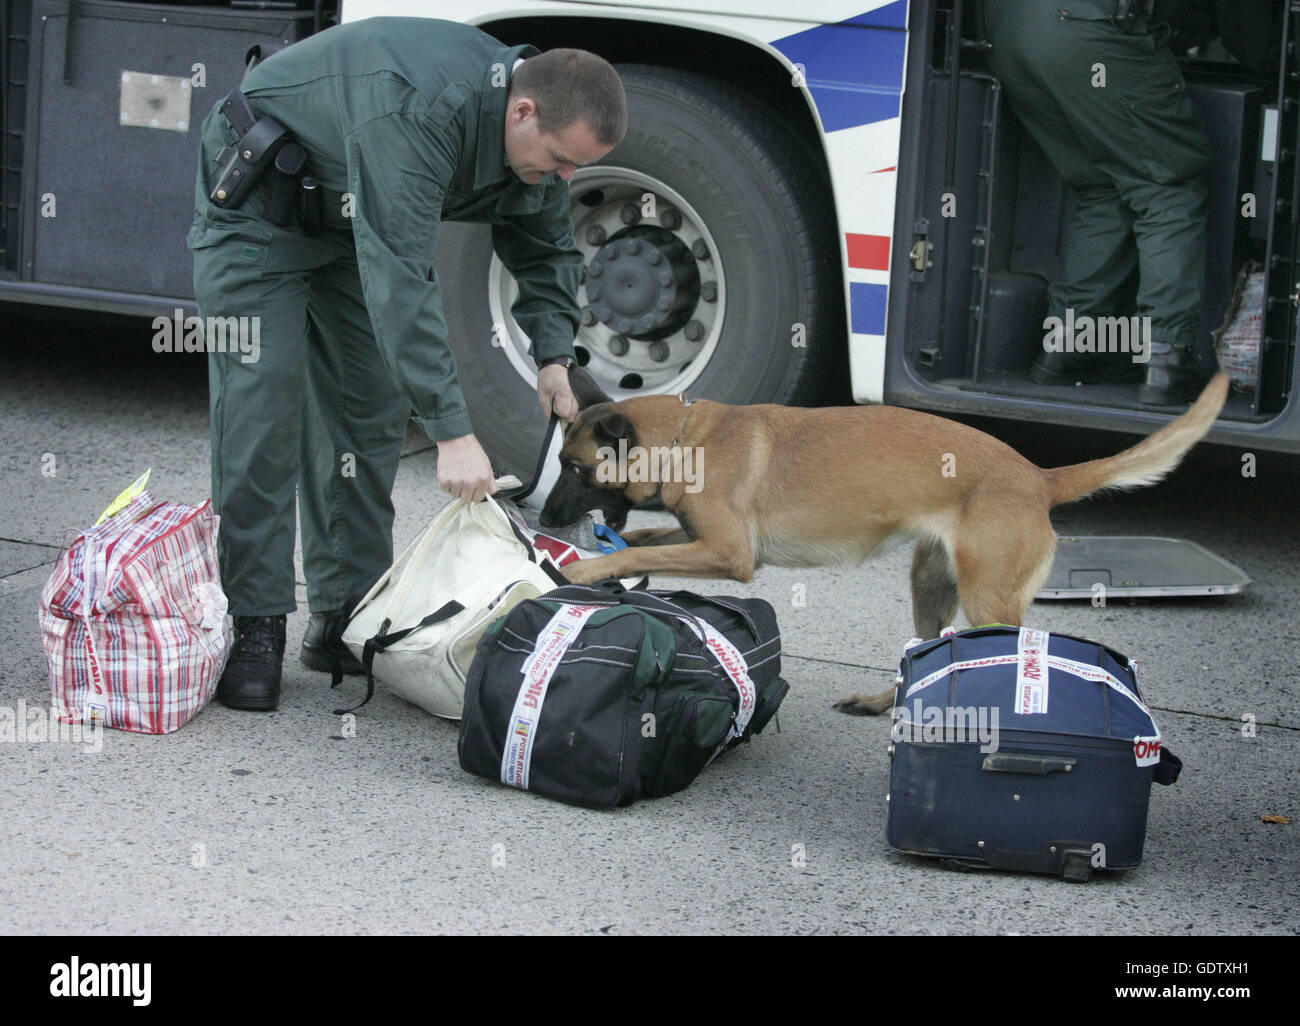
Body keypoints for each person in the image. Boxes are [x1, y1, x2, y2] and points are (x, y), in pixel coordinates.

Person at [187, 17, 626, 711]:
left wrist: (552, 357)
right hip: (258, 210)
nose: (565, 178)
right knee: (261, 408)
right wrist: (453, 433)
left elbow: (544, 251)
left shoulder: (536, 139)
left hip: (346, 215)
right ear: (522, 110)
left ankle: (344, 618)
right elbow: (400, 280)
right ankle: (257, 624)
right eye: (559, 159)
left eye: (575, 166)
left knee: (365, 413)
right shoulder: (423, 106)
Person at [983, 0, 1215, 404]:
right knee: (1167, 186)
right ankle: (1167, 360)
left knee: (1103, 186)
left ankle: (1070, 347)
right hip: (1087, 25)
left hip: (1010, 26)